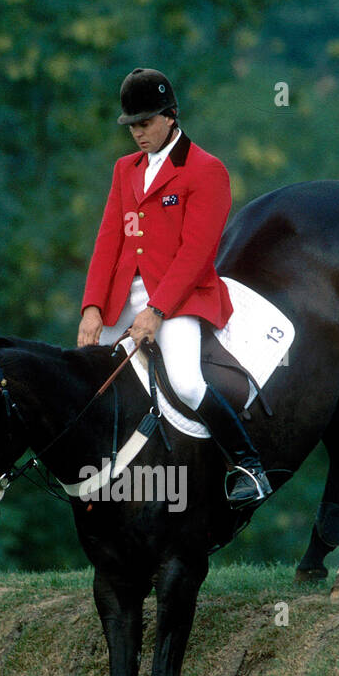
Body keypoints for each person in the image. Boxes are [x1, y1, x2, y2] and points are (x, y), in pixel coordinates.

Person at [77, 67, 271, 506]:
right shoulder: (124, 170)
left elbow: (196, 253)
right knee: (88, 372)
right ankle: (102, 479)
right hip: (126, 295)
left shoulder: (206, 170)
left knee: (184, 382)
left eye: (145, 123)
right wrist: (91, 306)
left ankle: (248, 465)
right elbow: (109, 241)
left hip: (181, 297)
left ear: (171, 115)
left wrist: (157, 310)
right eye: (132, 126)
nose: (138, 134)